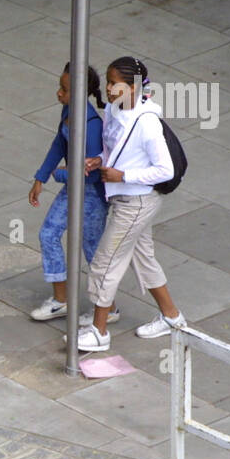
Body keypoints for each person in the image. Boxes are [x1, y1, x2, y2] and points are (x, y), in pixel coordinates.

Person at [75, 56, 186, 352]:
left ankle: (99, 331)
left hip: (137, 201)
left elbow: (166, 170)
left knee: (105, 261)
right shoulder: (113, 108)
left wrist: (123, 174)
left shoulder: (147, 124)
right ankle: (172, 318)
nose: (108, 89)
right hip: (124, 196)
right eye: (109, 82)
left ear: (134, 88)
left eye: (114, 83)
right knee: (143, 258)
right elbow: (113, 146)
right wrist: (101, 160)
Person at [28, 63, 119, 325]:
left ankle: (109, 307)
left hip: (91, 193)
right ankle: (61, 300)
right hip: (73, 188)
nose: (59, 94)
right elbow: (59, 143)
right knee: (48, 234)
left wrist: (58, 175)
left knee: (92, 249)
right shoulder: (68, 111)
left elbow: (88, 172)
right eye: (60, 87)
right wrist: (40, 176)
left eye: (64, 90)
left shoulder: (90, 125)